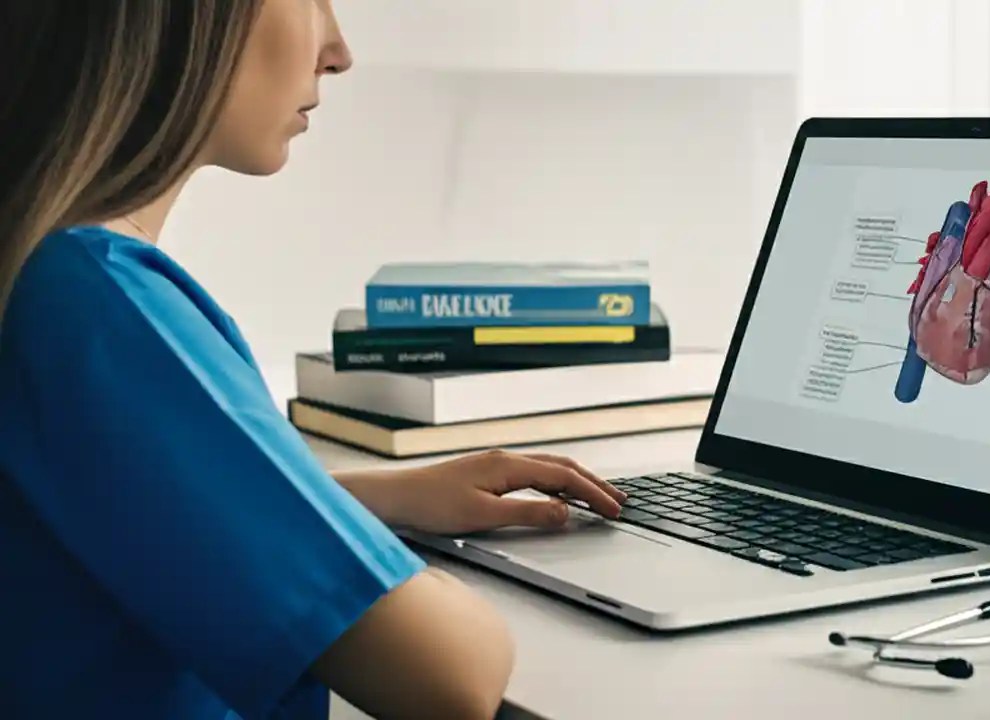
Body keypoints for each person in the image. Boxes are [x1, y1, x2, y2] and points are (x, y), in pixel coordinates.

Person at [0, 2, 625, 718]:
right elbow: (454, 677)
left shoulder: (48, 273)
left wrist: (364, 500)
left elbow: (136, 509)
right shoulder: (95, 304)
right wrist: (381, 566)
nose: (337, 50)